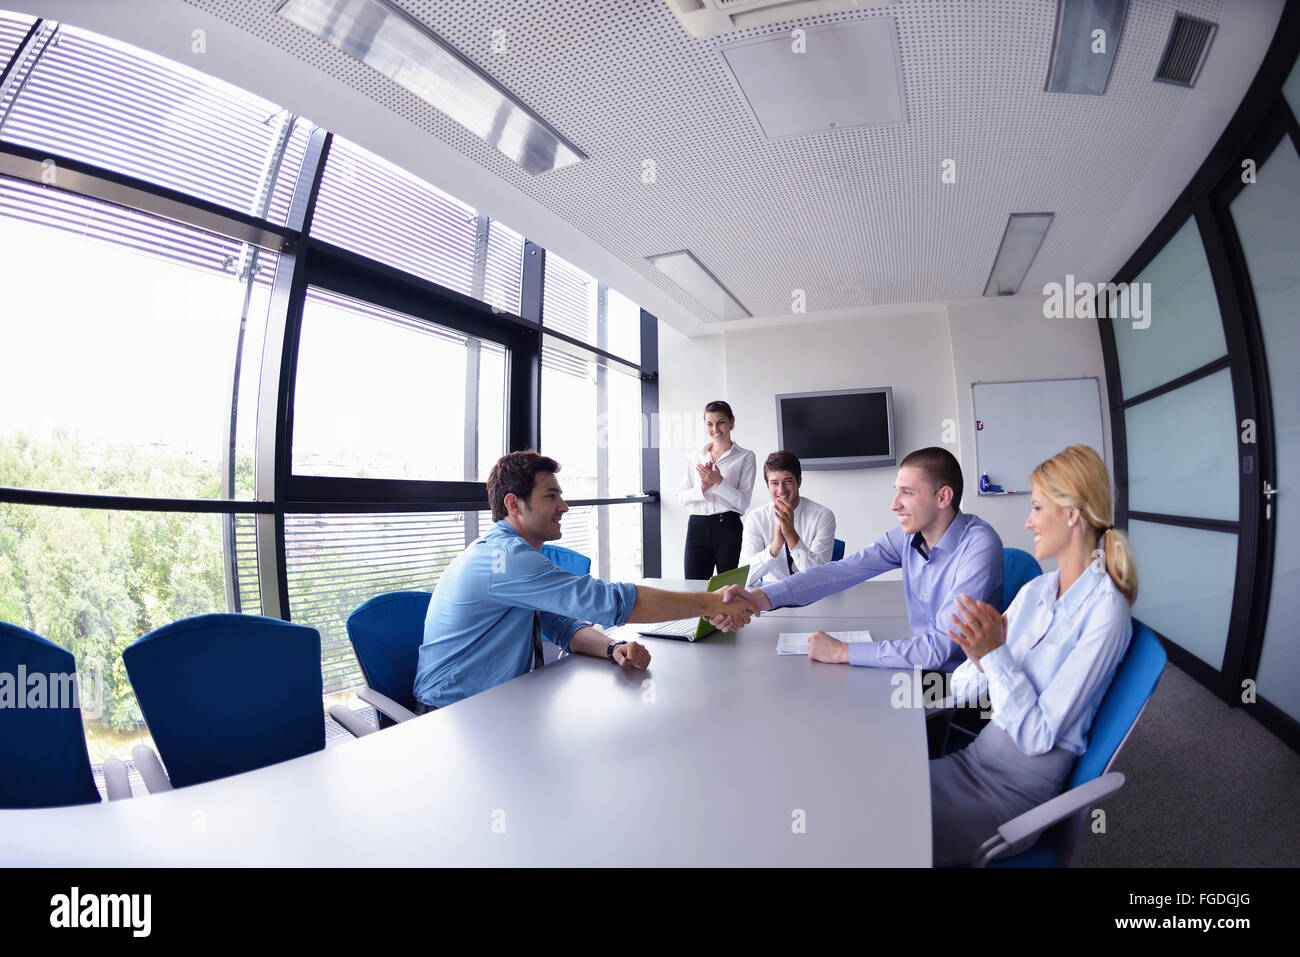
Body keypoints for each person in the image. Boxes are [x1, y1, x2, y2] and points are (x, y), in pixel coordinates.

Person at [413, 450, 759, 709]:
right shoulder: (503, 560)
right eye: (551, 496)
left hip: (500, 701)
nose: (563, 506)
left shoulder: (515, 556)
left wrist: (612, 648)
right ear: (513, 504)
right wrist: (709, 602)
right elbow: (608, 602)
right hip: (452, 711)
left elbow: (561, 625)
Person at [929, 445, 1137, 867]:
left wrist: (998, 656)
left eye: (1038, 507)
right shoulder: (1036, 591)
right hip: (970, 763)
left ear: (1072, 512)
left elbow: (1038, 737)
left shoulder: (1107, 614)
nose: (1028, 522)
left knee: (878, 833)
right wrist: (978, 655)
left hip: (1008, 800)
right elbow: (968, 687)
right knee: (868, 791)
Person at [714, 447, 1002, 673]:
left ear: (943, 497)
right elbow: (840, 571)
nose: (894, 504)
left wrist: (843, 652)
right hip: (917, 666)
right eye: (896, 491)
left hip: (956, 683)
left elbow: (939, 650)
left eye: (908, 493)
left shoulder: (978, 546)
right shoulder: (907, 537)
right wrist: (760, 598)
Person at [677, 400, 756, 580]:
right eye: (710, 424)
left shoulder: (746, 457)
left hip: (728, 527)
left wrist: (719, 482)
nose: (716, 429)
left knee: (728, 590)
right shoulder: (696, 456)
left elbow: (743, 503)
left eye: (721, 422)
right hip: (697, 527)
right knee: (693, 589)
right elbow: (681, 498)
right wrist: (702, 489)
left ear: (731, 421)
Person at [739, 450, 836, 587]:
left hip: (811, 594)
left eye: (788, 481)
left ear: (799, 481)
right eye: (774, 483)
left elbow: (818, 577)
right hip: (772, 596)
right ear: (767, 485)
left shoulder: (822, 516)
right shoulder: (756, 518)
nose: (781, 490)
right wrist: (775, 546)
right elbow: (744, 577)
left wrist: (791, 536)